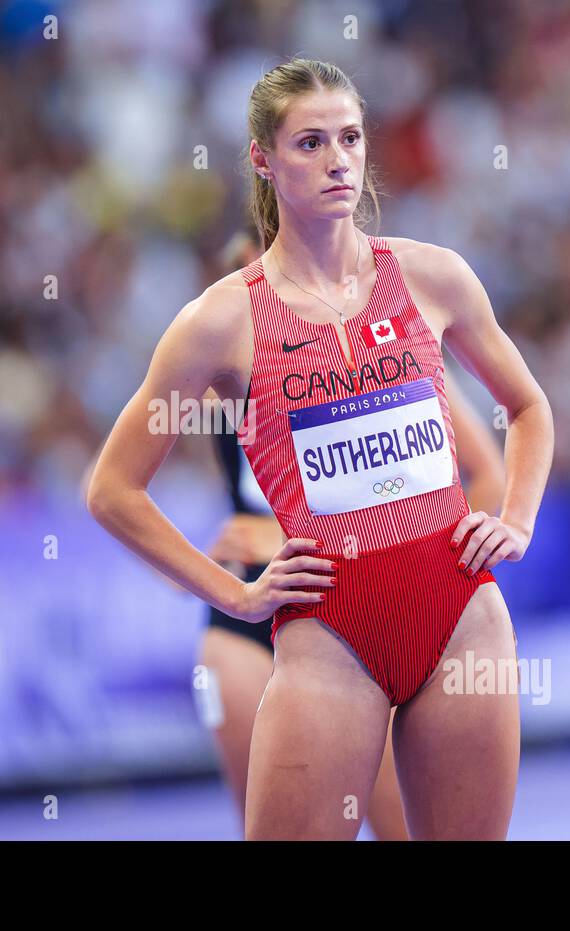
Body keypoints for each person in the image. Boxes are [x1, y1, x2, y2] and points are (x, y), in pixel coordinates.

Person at [87, 58, 553, 840]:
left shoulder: (434, 276)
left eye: (350, 138)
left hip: (462, 615)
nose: (338, 159)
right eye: (310, 143)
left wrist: (518, 519)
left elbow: (529, 405)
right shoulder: (218, 321)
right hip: (331, 635)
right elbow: (113, 489)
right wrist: (231, 594)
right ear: (262, 161)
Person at [198, 230, 507, 840]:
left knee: (397, 822)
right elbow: (115, 490)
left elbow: (488, 470)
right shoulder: (216, 355)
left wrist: (456, 544)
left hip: (354, 607)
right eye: (239, 279)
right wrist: (213, 580)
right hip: (251, 616)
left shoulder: (381, 345)